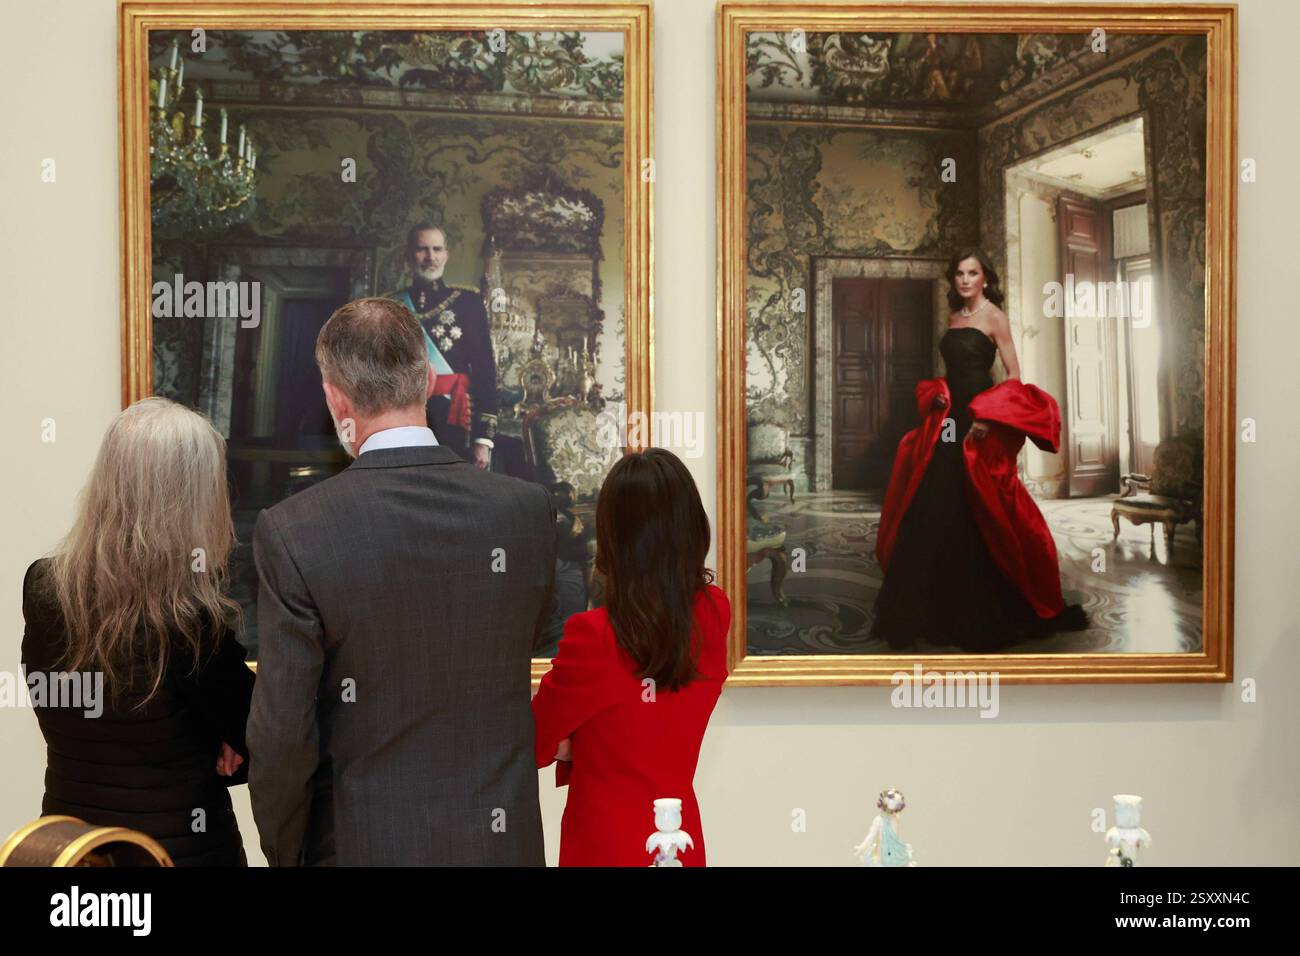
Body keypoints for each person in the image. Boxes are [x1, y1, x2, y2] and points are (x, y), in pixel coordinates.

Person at [247, 296, 555, 867]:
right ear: (425, 380)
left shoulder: (294, 531)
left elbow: (283, 736)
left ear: (335, 396)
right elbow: (527, 640)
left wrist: (290, 855)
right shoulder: (526, 510)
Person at [21, 397, 254, 866]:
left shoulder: (43, 586)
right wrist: (221, 743)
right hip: (180, 855)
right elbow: (257, 733)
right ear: (194, 498)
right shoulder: (193, 620)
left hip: (76, 854)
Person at [872, 248, 1087, 652]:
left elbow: (1014, 374)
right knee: (934, 502)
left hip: (980, 420)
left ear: (985, 278)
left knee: (981, 503)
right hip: (950, 416)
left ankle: (987, 604)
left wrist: (991, 416)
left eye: (972, 273)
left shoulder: (995, 317)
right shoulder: (954, 319)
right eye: (959, 273)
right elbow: (953, 371)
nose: (965, 280)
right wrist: (939, 398)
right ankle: (928, 608)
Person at [532, 448, 730, 867]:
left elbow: (533, 741)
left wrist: (576, 744)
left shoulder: (594, 636)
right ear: (692, 527)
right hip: (679, 838)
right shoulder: (715, 612)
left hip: (605, 845)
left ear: (614, 537)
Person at [386, 223, 499, 468]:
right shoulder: (390, 306)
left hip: (455, 419)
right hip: (404, 419)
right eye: (422, 249)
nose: (430, 257)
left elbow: (485, 372)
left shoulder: (468, 304)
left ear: (446, 255)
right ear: (408, 255)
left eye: (437, 249)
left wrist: (483, 438)